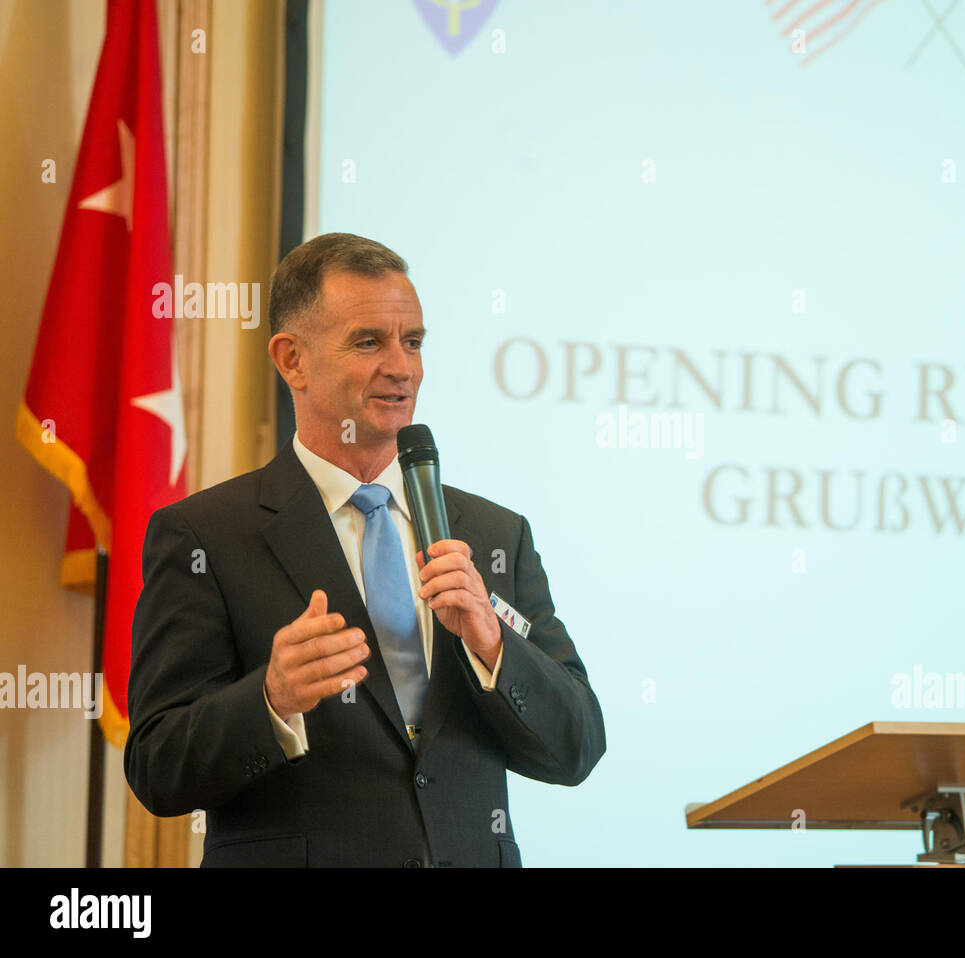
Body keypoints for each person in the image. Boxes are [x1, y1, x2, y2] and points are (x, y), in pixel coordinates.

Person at [124, 232, 605, 867]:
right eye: (368, 341)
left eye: (413, 342)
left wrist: (493, 644)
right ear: (291, 359)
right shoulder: (205, 536)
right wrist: (269, 700)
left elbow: (578, 747)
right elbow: (158, 765)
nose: (402, 367)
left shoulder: (493, 536)